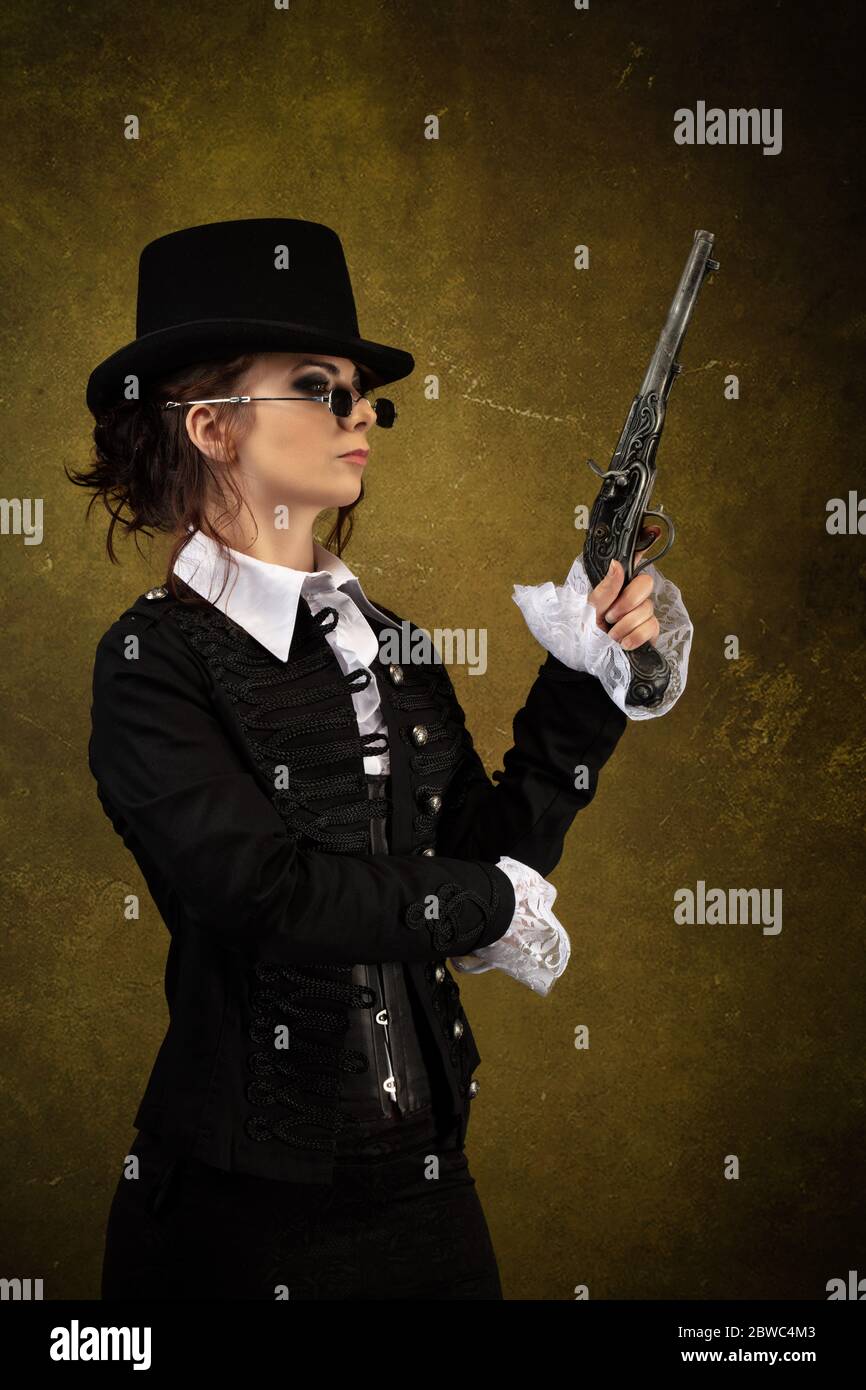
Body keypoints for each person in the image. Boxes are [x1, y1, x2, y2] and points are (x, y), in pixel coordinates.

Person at [70, 218, 691, 1300]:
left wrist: (588, 670)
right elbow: (263, 892)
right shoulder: (147, 661)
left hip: (425, 1195)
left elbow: (489, 851)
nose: (360, 415)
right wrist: (487, 908)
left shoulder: (385, 639)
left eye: (362, 393)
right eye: (320, 388)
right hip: (234, 1217)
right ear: (212, 425)